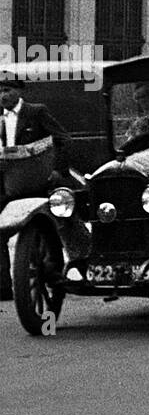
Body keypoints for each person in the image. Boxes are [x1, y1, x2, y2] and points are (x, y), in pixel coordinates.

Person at [0, 79, 72, 302]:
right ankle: (4, 288)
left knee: (47, 225)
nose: (2, 95)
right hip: (8, 183)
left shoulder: (36, 112)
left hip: (38, 181)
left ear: (19, 91)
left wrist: (56, 171)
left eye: (7, 90)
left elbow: (63, 140)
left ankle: (54, 273)